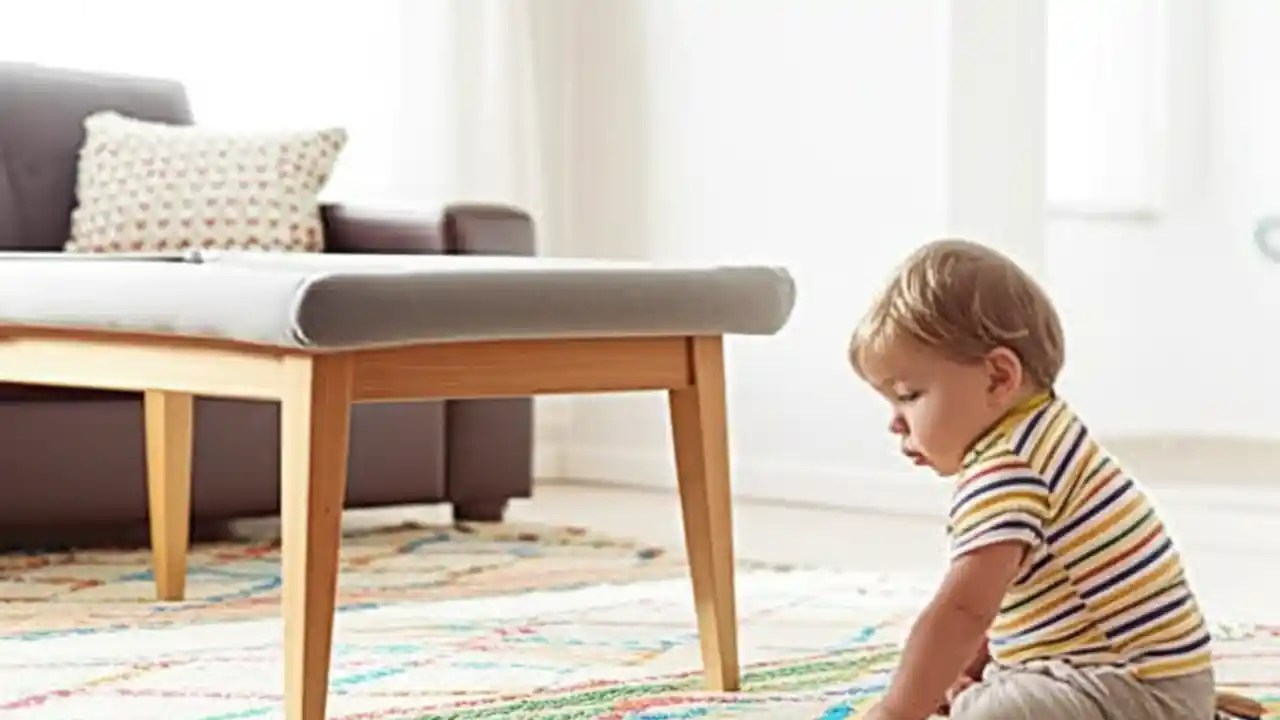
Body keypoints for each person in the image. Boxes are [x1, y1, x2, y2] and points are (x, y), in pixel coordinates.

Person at [848, 239, 1228, 719]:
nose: (895, 423)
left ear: (997, 378)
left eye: (909, 395)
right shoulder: (1042, 430)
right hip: (1156, 683)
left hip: (1134, 693)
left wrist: (895, 712)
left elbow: (964, 611)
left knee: (991, 712)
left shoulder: (1008, 468)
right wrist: (968, 667)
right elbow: (1006, 600)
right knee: (981, 687)